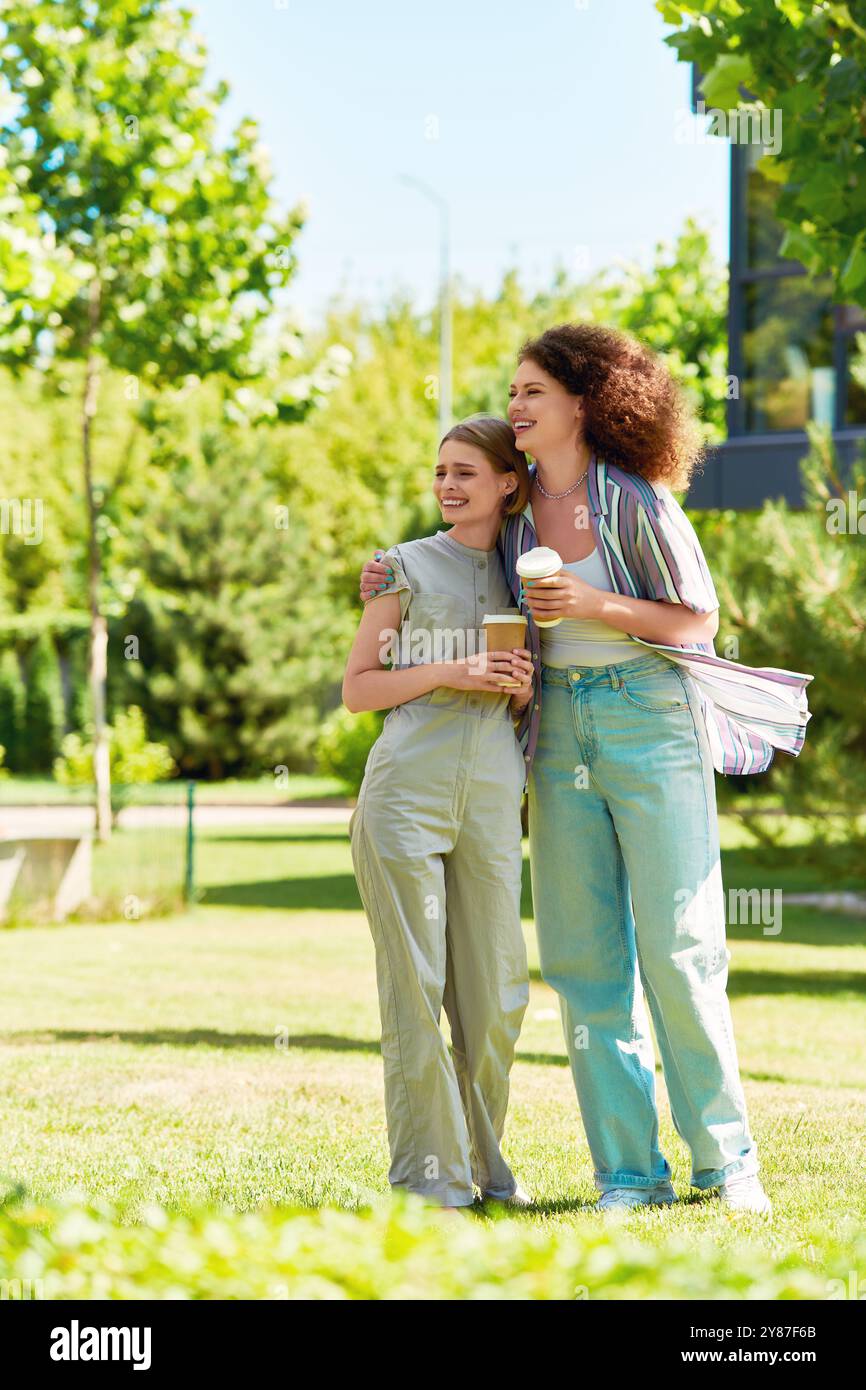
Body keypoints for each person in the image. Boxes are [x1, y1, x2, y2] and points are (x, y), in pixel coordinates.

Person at [361, 324, 812, 1214]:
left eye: (532, 391)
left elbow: (695, 621)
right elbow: (450, 555)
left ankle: (728, 1167)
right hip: (559, 728)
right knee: (580, 959)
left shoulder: (636, 501)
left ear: (583, 402)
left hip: (650, 717)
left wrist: (595, 601)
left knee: (680, 952)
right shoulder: (517, 515)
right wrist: (387, 572)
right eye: (515, 391)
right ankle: (628, 1174)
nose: (516, 405)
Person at [345, 414, 535, 1210]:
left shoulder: (530, 572)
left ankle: (484, 1165)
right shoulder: (400, 568)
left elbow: (532, 690)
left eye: (466, 472)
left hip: (492, 787)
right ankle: (432, 1176)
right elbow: (359, 687)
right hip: (406, 788)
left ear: (507, 483)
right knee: (417, 986)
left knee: (497, 993)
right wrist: (449, 669)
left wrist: (519, 686)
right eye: (440, 472)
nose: (449, 486)